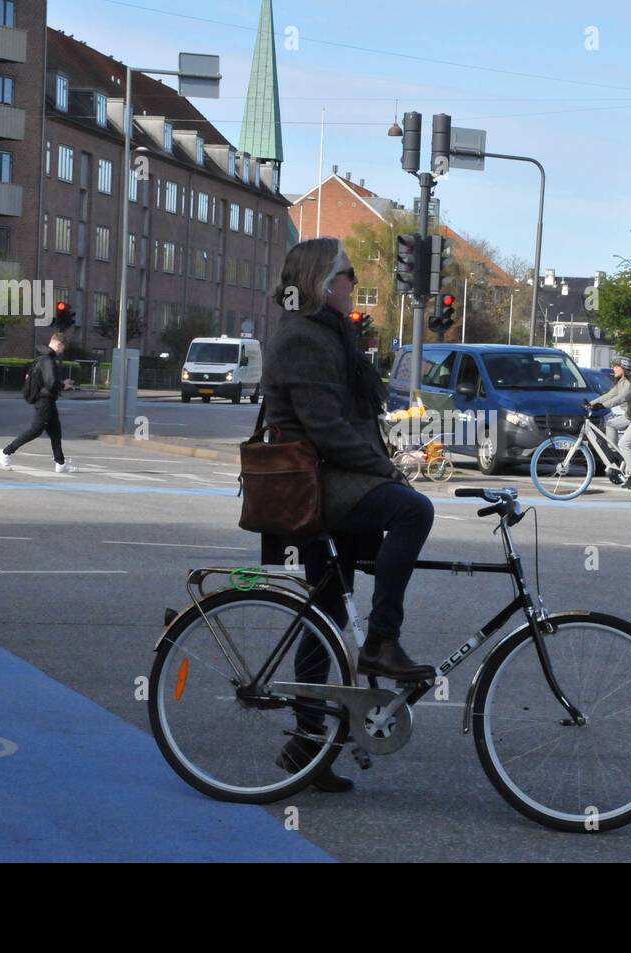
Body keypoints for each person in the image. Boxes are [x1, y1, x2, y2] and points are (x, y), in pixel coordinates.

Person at [261, 237, 435, 792]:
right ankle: (382, 641)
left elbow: (349, 420)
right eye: (347, 274)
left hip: (334, 481)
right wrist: (385, 471)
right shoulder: (302, 338)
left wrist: (380, 460)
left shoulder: (328, 331)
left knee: (325, 612)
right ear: (319, 282)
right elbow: (327, 431)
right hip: (319, 487)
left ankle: (307, 747)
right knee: (413, 511)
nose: (353, 285)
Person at [0, 332, 76, 473]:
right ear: (58, 344)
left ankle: (60, 463)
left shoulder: (41, 358)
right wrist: (64, 385)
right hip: (44, 401)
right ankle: (5, 452)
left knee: (56, 432)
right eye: (63, 348)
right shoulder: (47, 360)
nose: (62, 351)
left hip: (48, 400)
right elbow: (51, 383)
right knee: (35, 430)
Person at [585, 355, 631, 487]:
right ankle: (615, 454)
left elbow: (622, 398)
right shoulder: (622, 381)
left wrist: (604, 406)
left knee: (624, 444)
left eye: (616, 366)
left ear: (624, 368)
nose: (614, 369)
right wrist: (591, 403)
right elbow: (610, 394)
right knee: (611, 424)